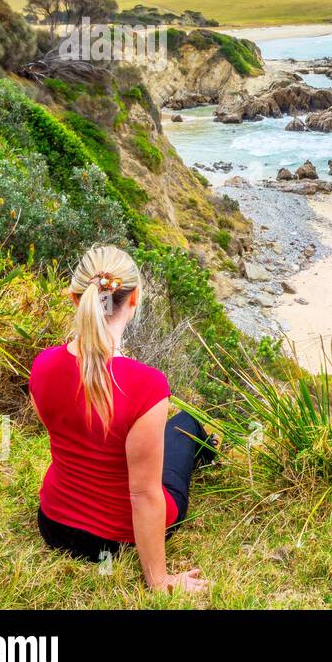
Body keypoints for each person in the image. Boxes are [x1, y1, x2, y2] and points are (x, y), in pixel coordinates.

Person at [29, 244, 213, 593]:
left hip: (53, 526)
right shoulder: (146, 384)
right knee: (186, 425)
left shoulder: (43, 365)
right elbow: (144, 494)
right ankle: (211, 452)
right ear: (134, 299)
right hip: (113, 542)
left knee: (168, 434)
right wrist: (160, 581)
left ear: (74, 298)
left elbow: (61, 427)